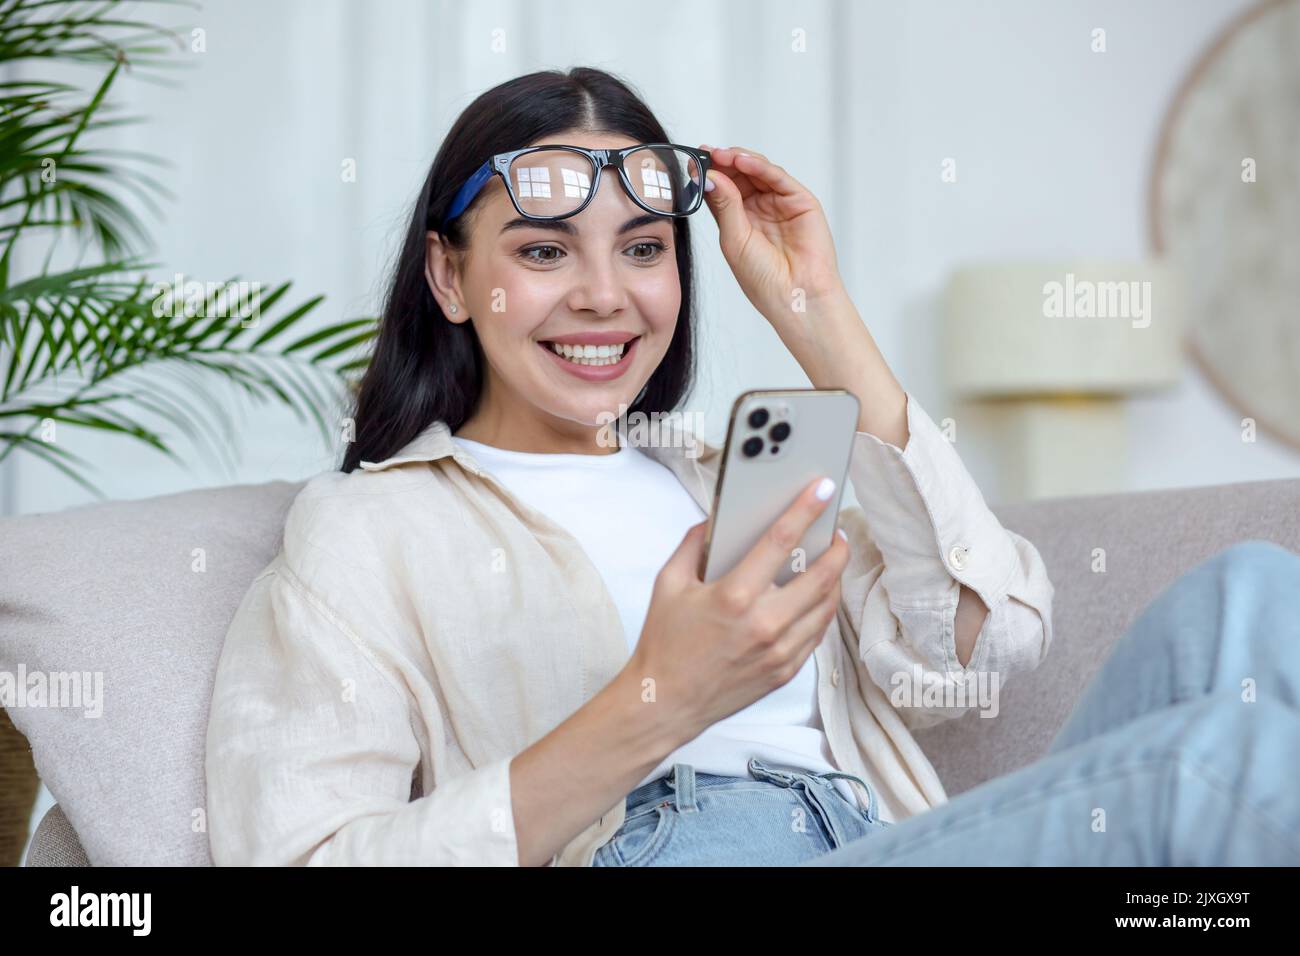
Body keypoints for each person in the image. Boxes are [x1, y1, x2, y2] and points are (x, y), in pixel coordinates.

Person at [202, 66, 1293, 867]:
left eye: (642, 248)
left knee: (1255, 599)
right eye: (542, 252)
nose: (602, 295)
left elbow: (980, 648)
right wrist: (660, 697)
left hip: (867, 838)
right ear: (448, 276)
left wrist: (814, 315)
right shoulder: (363, 530)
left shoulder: (724, 473)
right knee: (1213, 770)